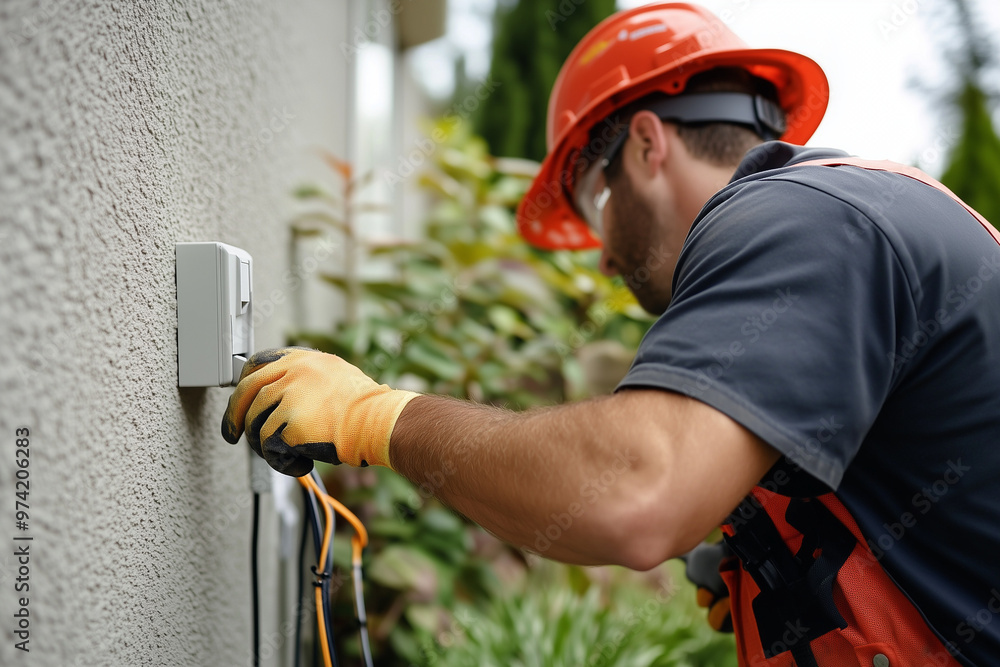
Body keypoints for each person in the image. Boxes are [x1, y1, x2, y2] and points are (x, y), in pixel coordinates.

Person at [222, 3, 1000, 665]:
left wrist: (374, 416)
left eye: (594, 204)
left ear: (648, 144)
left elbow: (633, 490)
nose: (601, 254)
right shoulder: (846, 215)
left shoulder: (799, 220)